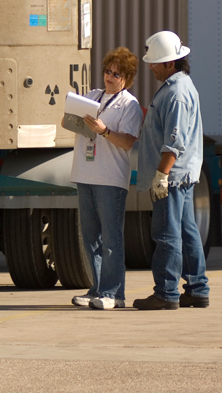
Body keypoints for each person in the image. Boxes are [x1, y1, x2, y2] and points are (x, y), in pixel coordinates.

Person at [132, 30, 210, 310]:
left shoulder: (175, 93)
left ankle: (166, 293)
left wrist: (162, 175)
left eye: (156, 62)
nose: (151, 67)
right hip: (183, 174)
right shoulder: (180, 85)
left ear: (171, 63)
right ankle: (197, 289)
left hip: (173, 176)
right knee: (188, 231)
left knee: (165, 233)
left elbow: (173, 142)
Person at [67, 47, 143, 310]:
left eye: (116, 74)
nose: (109, 77)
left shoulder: (129, 105)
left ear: (127, 78)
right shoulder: (92, 96)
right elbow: (75, 124)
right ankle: (98, 288)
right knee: (90, 237)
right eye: (108, 71)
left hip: (110, 178)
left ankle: (114, 294)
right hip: (85, 173)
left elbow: (127, 142)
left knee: (111, 238)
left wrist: (104, 130)